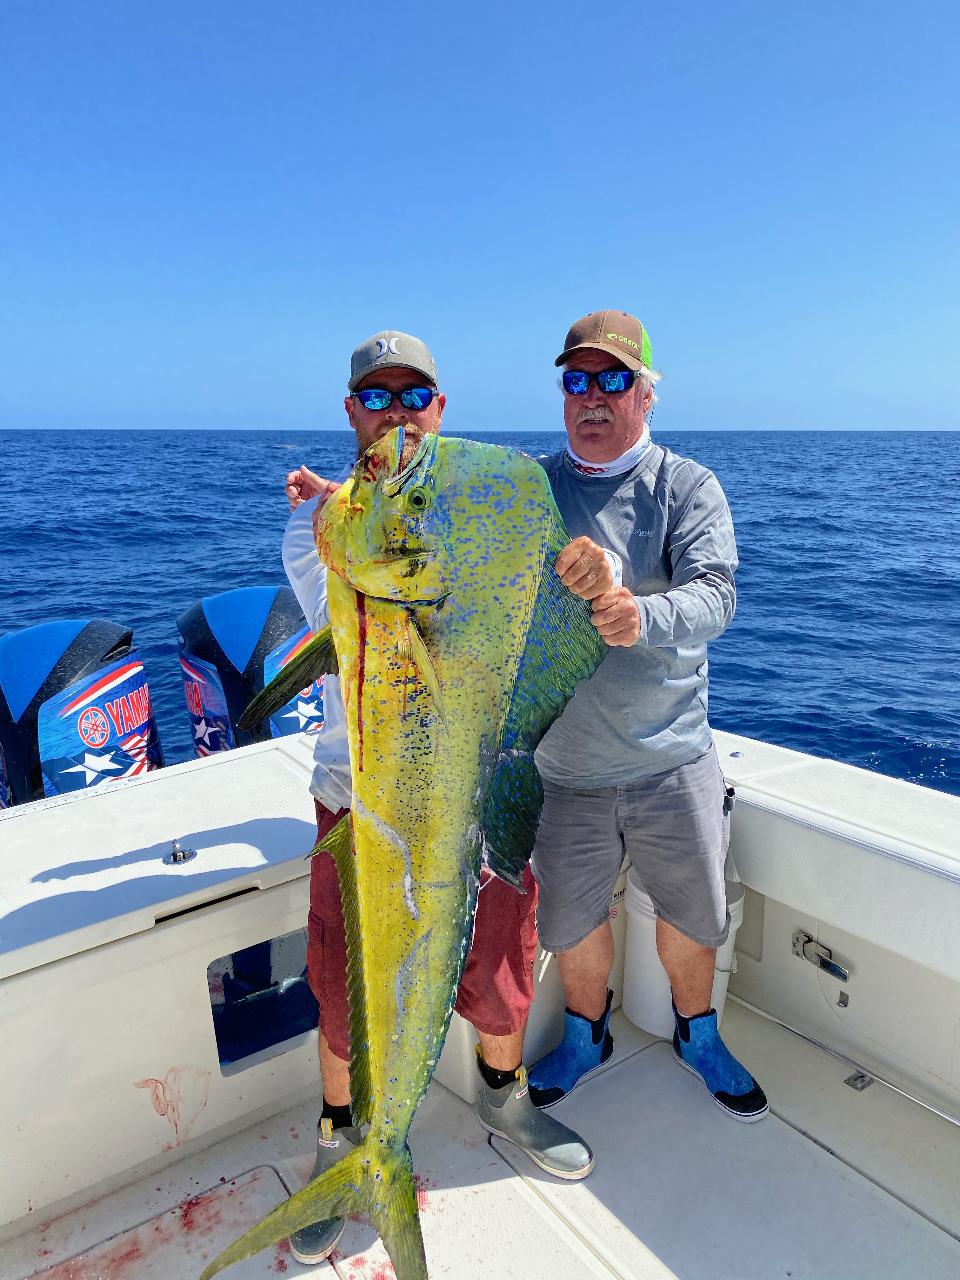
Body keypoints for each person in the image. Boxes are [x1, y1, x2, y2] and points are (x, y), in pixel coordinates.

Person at [280, 330, 593, 1267]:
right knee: (343, 992)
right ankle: (347, 1137)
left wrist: (582, 576)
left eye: (413, 399)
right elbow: (330, 612)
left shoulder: (475, 521)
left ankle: (505, 1095)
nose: (396, 416)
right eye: (376, 401)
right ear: (350, 413)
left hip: (478, 789)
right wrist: (354, 518)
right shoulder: (320, 528)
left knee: (500, 971)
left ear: (441, 411)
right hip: (363, 803)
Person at [527, 310, 768, 1124]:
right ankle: (586, 1034)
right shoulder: (534, 491)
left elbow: (717, 594)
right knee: (571, 920)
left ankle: (697, 1033)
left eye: (612, 379)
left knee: (693, 914)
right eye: (576, 380)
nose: (592, 397)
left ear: (647, 392)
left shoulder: (688, 487)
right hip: (563, 768)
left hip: (672, 759)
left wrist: (640, 613)